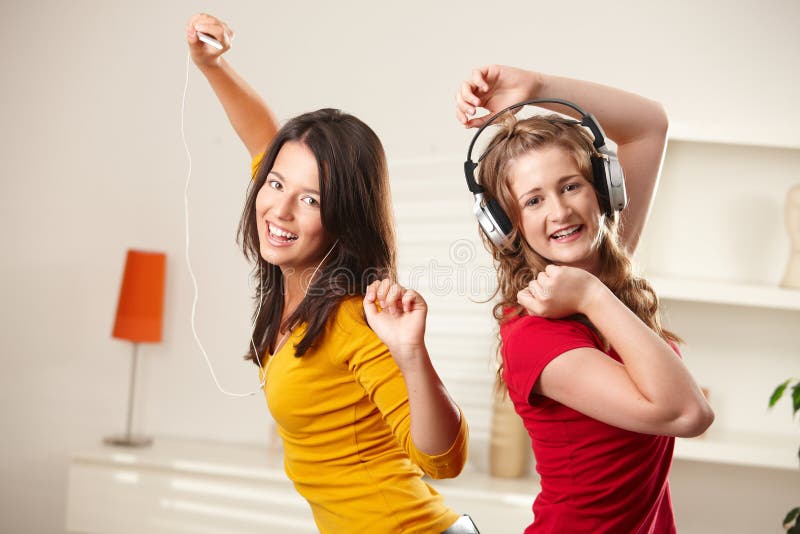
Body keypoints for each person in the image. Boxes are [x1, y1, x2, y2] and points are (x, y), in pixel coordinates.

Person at [185, 13, 479, 534]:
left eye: (311, 199)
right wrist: (214, 64)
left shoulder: (350, 319)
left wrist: (411, 354)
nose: (280, 210)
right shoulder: (295, 276)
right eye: (275, 185)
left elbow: (444, 461)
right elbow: (262, 138)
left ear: (344, 217)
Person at [455, 65, 715, 533]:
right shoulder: (535, 335)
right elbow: (688, 413)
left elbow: (649, 125)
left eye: (571, 185)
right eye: (533, 201)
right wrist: (592, 295)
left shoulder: (604, 273)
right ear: (505, 223)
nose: (560, 211)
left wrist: (536, 89)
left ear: (602, 190)